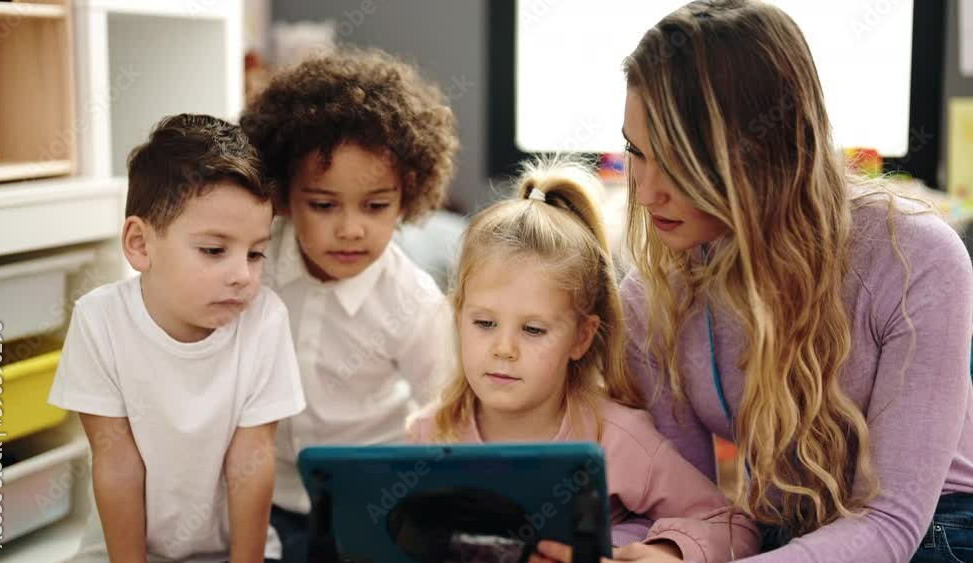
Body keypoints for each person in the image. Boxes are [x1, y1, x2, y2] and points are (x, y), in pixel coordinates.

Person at [533, 1, 973, 562]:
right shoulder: (653, 298)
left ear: (764, 156)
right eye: (637, 154)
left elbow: (890, 524)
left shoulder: (916, 259)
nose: (645, 192)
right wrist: (667, 550)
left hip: (938, 529)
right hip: (781, 534)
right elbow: (691, 506)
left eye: (678, 161)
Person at [408, 161, 761, 563]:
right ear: (458, 318)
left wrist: (667, 551)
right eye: (484, 323)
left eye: (534, 330)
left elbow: (730, 525)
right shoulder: (430, 435)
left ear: (581, 337)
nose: (503, 348)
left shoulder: (617, 437)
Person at [48, 114, 305, 563]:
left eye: (256, 253)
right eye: (214, 251)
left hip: (236, 551)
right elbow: (116, 463)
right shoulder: (100, 320)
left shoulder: (265, 320)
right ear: (140, 245)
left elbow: (252, 459)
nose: (242, 275)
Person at [239, 47, 460, 561]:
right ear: (284, 194)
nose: (350, 228)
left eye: (376, 206)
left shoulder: (411, 300)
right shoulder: (253, 261)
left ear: (407, 198)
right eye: (322, 205)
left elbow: (446, 410)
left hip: (376, 496)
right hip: (262, 492)